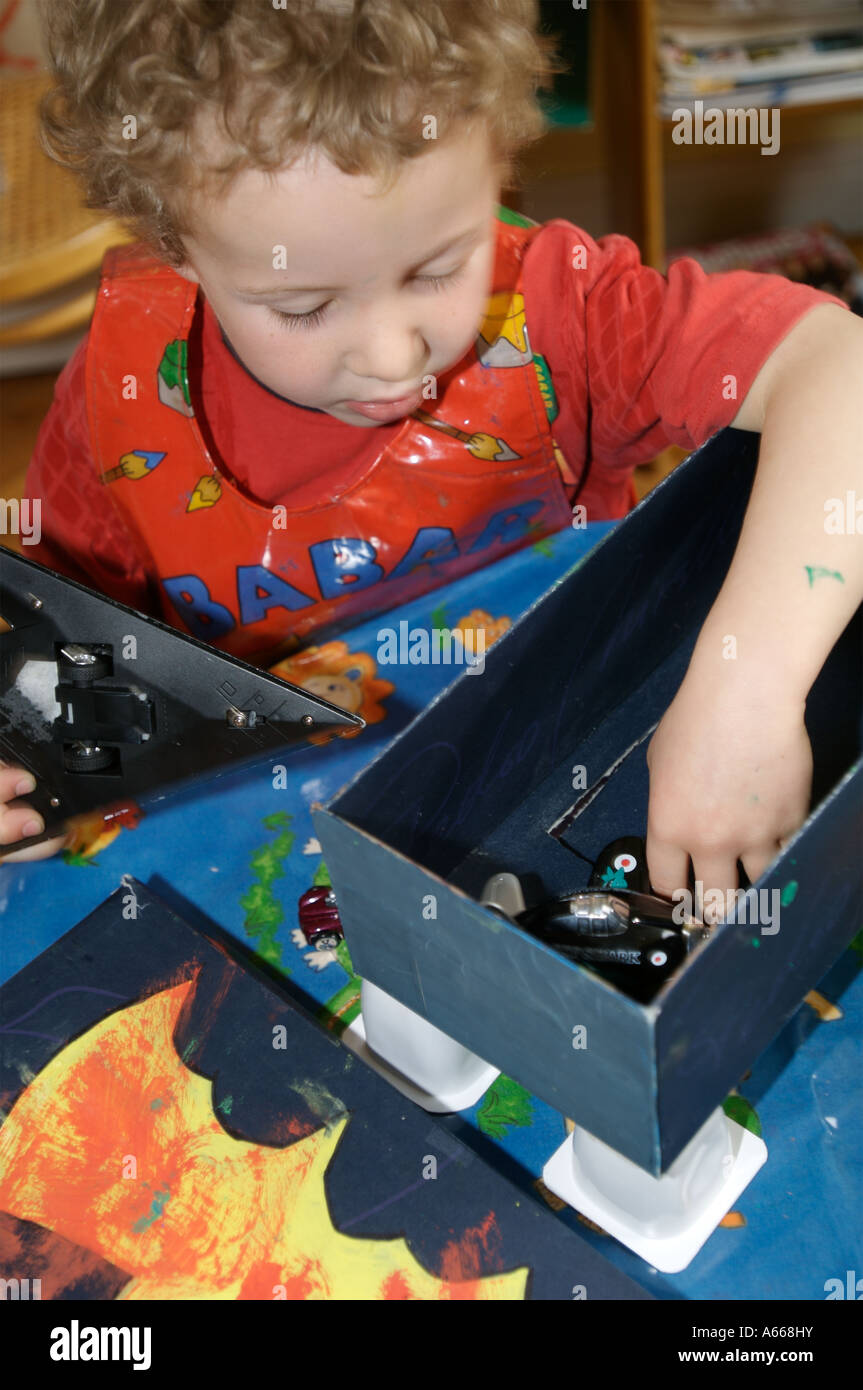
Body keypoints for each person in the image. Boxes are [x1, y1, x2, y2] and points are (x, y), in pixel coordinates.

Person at [3, 0, 860, 924]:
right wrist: (35, 767)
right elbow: (48, 641)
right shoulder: (119, 406)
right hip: (266, 857)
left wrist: (747, 691)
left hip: (551, 779)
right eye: (302, 307)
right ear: (173, 242)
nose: (389, 355)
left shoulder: (564, 316)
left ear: (498, 156)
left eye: (439, 267)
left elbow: (837, 368)